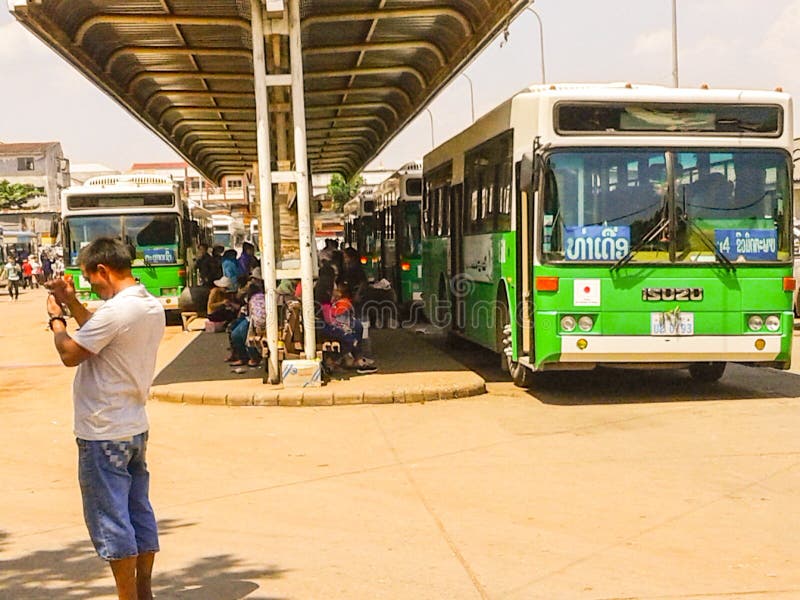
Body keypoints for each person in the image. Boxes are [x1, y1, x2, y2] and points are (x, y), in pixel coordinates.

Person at [44, 237, 165, 600]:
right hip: (133, 426)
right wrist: (73, 303)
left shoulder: (117, 312)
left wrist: (56, 320)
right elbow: (100, 333)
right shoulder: (147, 305)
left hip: (103, 431)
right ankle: (144, 593)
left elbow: (71, 353)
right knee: (138, 513)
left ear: (103, 270)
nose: (91, 285)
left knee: (112, 522)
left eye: (90, 278)